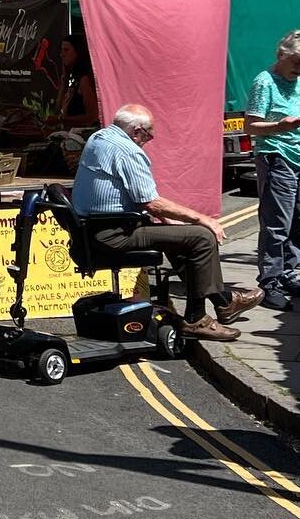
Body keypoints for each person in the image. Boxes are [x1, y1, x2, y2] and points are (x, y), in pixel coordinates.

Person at [72, 103, 264, 341]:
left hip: (99, 228)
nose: (150, 139)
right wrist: (202, 219)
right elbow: (151, 202)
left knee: (183, 238)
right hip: (115, 233)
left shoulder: (99, 138)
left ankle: (224, 302)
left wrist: (170, 221)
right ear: (136, 131)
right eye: (149, 134)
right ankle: (197, 319)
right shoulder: (128, 151)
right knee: (202, 237)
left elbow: (135, 196)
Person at [246, 30, 300, 310]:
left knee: (298, 223)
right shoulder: (264, 82)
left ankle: (289, 274)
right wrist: (281, 126)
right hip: (277, 158)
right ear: (281, 55)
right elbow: (251, 125)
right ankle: (270, 283)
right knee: (276, 224)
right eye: (297, 62)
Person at [59, 36, 99, 127]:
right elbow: (58, 109)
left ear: (78, 52)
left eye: (66, 50)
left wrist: (60, 120)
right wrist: (65, 79)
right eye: (61, 50)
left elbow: (92, 116)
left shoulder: (85, 80)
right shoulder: (74, 79)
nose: (62, 54)